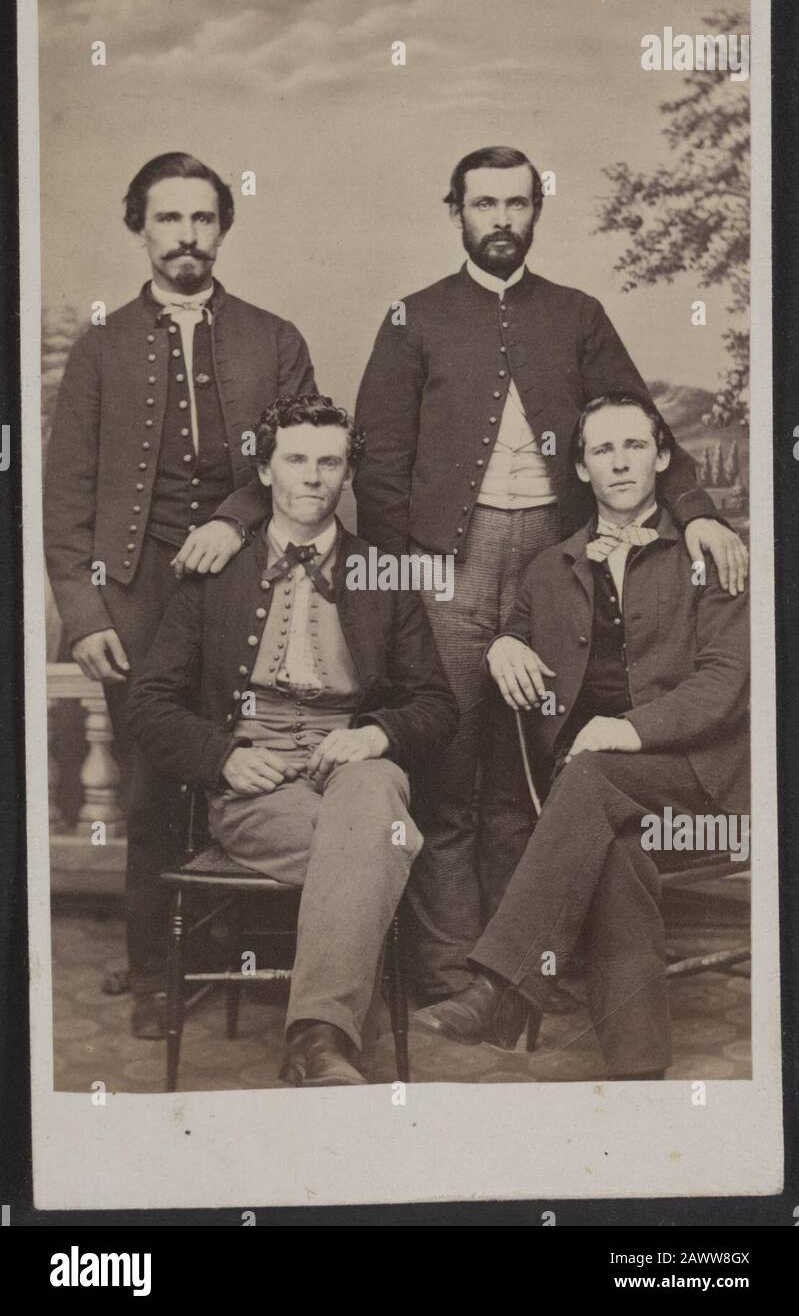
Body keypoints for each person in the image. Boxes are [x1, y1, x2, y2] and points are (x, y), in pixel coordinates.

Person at [353, 144, 748, 1003]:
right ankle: (451, 968)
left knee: (536, 767)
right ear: (454, 209)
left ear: (537, 211)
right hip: (446, 566)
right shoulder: (411, 317)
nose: (501, 219)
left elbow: (642, 432)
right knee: (451, 766)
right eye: (483, 204)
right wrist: (410, 574)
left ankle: (529, 964)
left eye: (517, 204)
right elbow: (378, 459)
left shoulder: (576, 313)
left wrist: (703, 513)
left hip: (555, 564)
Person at [44, 152, 315, 1036]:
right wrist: (84, 615)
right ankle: (157, 971)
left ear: (222, 229)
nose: (186, 237)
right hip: (134, 594)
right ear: (142, 228)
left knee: (253, 758)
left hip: (251, 580)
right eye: (168, 219)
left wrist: (237, 519)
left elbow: (306, 451)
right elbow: (65, 498)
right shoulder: (100, 348)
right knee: (157, 781)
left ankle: (238, 949)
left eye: (202, 219)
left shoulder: (274, 339)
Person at [414, 392, 749, 1080]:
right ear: (579, 469)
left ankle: (498, 985)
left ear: (660, 457)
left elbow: (722, 688)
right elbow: (514, 627)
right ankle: (637, 1073)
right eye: (603, 449)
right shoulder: (549, 567)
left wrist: (625, 730)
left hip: (704, 784)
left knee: (590, 776)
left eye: (634, 446)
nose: (620, 462)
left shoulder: (708, 552)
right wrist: (504, 643)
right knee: (614, 847)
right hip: (603, 801)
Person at [125, 394, 458, 1086]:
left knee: (371, 796)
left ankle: (317, 1040)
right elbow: (149, 704)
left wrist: (376, 734)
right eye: (296, 459)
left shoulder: (385, 576)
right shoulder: (213, 575)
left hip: (354, 772)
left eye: (329, 462)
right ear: (266, 471)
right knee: (377, 843)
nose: (312, 476)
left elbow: (436, 705)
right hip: (259, 786)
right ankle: (323, 1040)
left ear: (347, 475)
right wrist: (223, 757)